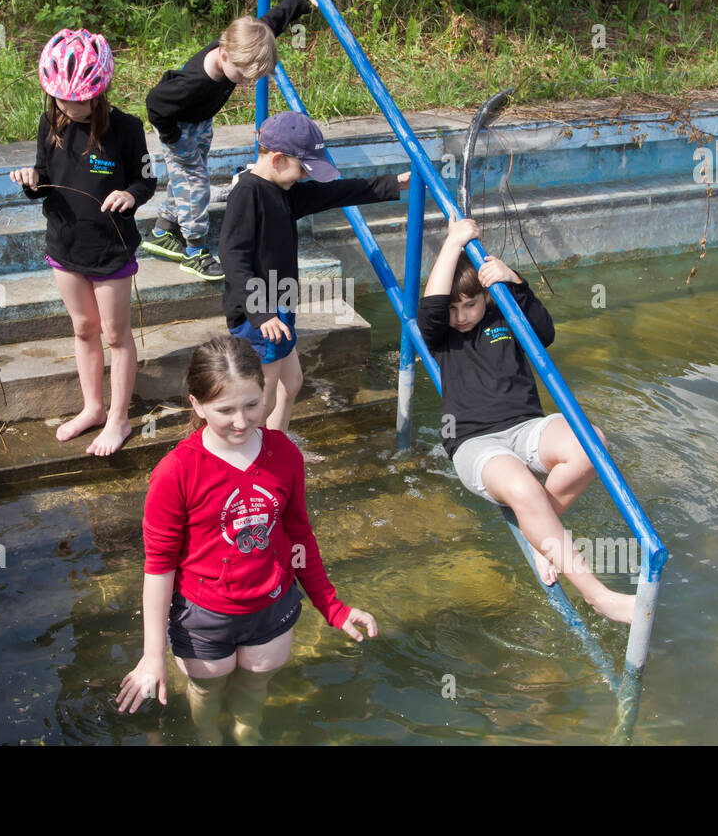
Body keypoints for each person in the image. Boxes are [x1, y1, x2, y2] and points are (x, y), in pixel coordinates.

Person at [116, 336, 377, 744]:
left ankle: (247, 729)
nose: (241, 421)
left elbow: (299, 536)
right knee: (206, 687)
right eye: (225, 410)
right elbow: (159, 566)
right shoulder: (175, 472)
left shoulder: (284, 453)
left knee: (256, 683)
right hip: (202, 616)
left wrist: (333, 606)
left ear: (266, 394)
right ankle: (208, 737)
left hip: (271, 606)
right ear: (197, 405)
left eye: (253, 404)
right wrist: (153, 656)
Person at [419, 215, 635, 624]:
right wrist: (453, 242)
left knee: (593, 444)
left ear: (487, 297)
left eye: (471, 305)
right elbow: (431, 309)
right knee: (522, 486)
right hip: (474, 441)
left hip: (527, 427)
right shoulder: (440, 334)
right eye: (454, 308)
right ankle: (598, 596)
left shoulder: (503, 316)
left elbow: (545, 333)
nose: (463, 316)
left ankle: (542, 536)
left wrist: (514, 282)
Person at [11, 29, 156, 453]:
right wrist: (31, 181)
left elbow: (146, 179)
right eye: (61, 99)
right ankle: (92, 407)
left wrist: (130, 195)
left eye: (80, 100)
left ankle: (119, 417)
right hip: (64, 243)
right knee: (83, 328)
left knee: (115, 333)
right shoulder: (49, 123)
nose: (70, 108)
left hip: (110, 247)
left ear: (100, 91)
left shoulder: (127, 129)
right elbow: (44, 177)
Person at [219, 110, 409, 432]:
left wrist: (392, 183)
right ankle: (247, 458)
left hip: (280, 307)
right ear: (278, 159)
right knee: (260, 401)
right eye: (302, 170)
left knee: (290, 385)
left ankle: (277, 449)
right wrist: (262, 313)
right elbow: (232, 255)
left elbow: (335, 192)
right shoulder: (249, 194)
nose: (304, 178)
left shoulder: (282, 190)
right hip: (262, 318)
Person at [141, 0, 329, 281]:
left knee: (189, 177)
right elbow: (155, 102)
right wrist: (174, 138)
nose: (244, 81)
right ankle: (195, 251)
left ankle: (162, 231)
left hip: (200, 122)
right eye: (242, 75)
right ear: (224, 55)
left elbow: (271, 23)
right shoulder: (195, 82)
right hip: (179, 128)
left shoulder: (239, 49)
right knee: (195, 184)